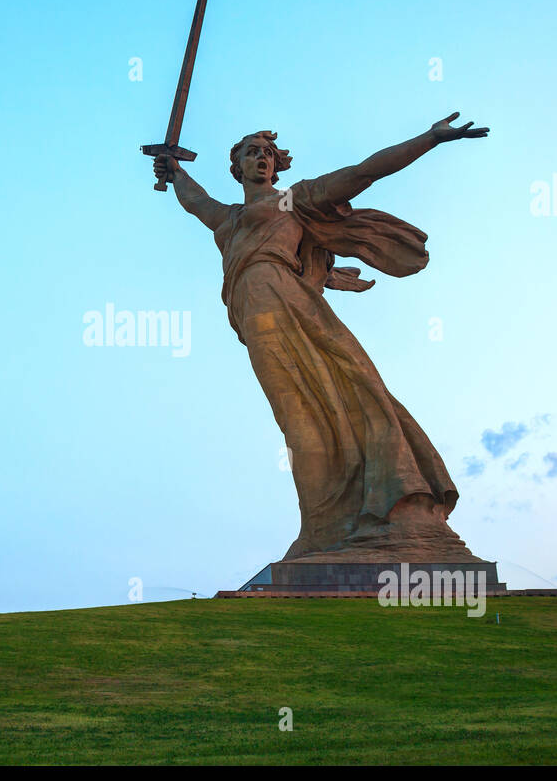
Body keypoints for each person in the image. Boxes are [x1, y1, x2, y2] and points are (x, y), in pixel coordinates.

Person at [154, 114, 489, 561]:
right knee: (299, 417)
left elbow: (362, 173)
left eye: (267, 153)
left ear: (276, 167)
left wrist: (428, 139)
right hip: (255, 312)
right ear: (236, 166)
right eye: (250, 153)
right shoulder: (227, 219)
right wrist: (173, 169)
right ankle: (326, 523)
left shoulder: (295, 201)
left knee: (356, 384)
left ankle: (389, 504)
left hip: (291, 300)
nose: (260, 158)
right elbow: (194, 200)